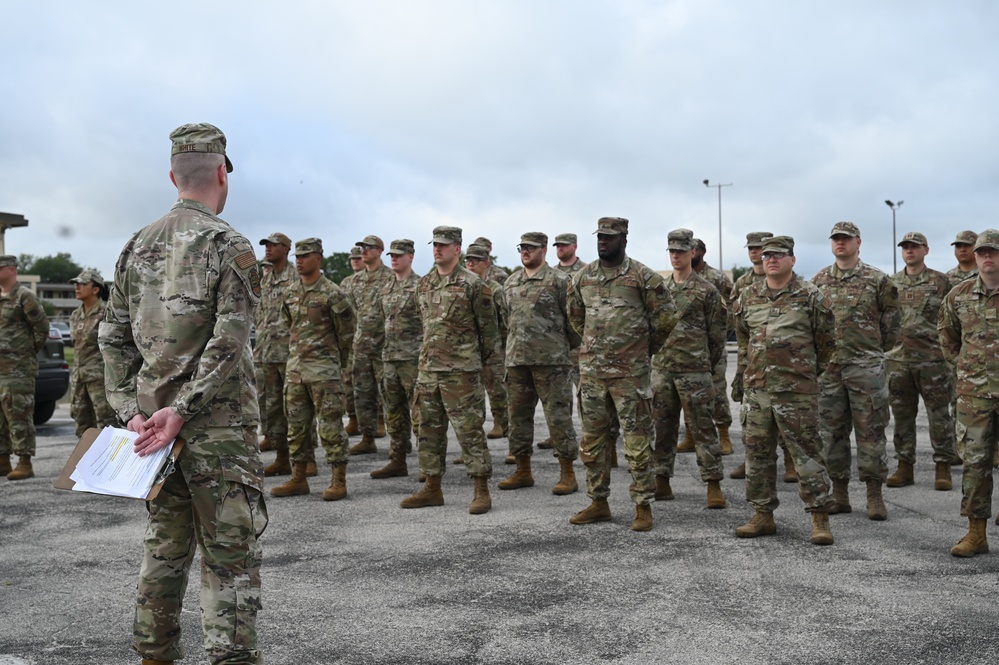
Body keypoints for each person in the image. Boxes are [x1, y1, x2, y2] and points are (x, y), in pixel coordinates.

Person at [98, 123, 266, 663]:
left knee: (164, 549)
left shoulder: (136, 245)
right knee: (229, 559)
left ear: (173, 177)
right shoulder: (228, 245)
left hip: (153, 436)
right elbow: (230, 339)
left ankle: (154, 654)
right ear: (222, 173)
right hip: (217, 431)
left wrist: (131, 411)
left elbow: (111, 336)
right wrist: (185, 408)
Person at [567, 217, 678, 531]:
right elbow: (575, 316)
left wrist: (641, 349)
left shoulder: (643, 277)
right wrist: (595, 347)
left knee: (637, 443)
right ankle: (598, 502)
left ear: (624, 240)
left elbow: (666, 319)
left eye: (610, 237)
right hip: (592, 376)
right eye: (600, 237)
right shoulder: (583, 277)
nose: (603, 242)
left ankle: (642, 506)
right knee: (593, 443)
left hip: (631, 377)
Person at [733, 235, 837, 545]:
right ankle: (762, 515)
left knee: (807, 455)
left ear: (792, 259)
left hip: (797, 392)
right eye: (767, 256)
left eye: (778, 255)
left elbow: (827, 342)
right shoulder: (748, 296)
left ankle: (819, 517)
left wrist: (804, 374)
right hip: (758, 391)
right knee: (757, 455)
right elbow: (743, 340)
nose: (771, 260)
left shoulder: (810, 295)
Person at [400, 226, 501, 514]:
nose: (437, 249)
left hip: (461, 372)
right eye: (435, 244)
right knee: (427, 431)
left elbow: (489, 331)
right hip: (428, 370)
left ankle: (481, 489)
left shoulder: (473, 284)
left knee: (469, 431)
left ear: (457, 249)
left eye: (444, 245)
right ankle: (432, 487)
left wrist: (477, 364)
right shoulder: (424, 284)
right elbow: (425, 325)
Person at [812, 221, 900, 520]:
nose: (840, 243)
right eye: (836, 238)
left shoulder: (878, 280)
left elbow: (892, 323)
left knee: (871, 432)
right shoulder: (818, 281)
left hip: (866, 369)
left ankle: (874, 495)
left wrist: (871, 351)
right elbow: (813, 324)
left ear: (858, 243)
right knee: (831, 434)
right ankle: (839, 494)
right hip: (830, 371)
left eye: (846, 238)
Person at [269, 238, 355, 501]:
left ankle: (338, 480)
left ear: (318, 258)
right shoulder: (291, 292)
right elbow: (289, 324)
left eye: (305, 256)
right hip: (296, 371)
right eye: (297, 256)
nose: (299, 261)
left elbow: (347, 333)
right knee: (296, 428)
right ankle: (299, 478)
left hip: (324, 373)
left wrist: (333, 362)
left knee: (330, 427)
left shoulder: (333, 293)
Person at [498, 232, 580, 495]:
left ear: (543, 250)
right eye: (522, 247)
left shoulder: (560, 281)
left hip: (552, 363)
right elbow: (505, 320)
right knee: (518, 418)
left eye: (531, 248)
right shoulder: (511, 282)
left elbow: (575, 322)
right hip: (517, 362)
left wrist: (558, 347)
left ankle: (567, 473)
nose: (525, 251)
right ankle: (522, 471)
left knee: (558, 418)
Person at [651, 229, 726, 508]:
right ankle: (661, 480)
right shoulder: (659, 289)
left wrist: (703, 363)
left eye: (681, 251)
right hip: (663, 370)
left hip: (695, 371)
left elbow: (717, 336)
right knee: (662, 428)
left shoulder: (707, 290)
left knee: (703, 429)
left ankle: (713, 484)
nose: (675, 256)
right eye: (672, 251)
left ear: (691, 253)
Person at [939, 228, 999, 557]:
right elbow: (947, 338)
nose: (987, 257)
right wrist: (966, 370)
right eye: (981, 252)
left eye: (993, 251)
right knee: (975, 464)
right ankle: (976, 533)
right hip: (974, 396)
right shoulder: (958, 296)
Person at [886, 232, 958, 491]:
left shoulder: (941, 281)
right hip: (899, 361)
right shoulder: (891, 283)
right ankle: (904, 467)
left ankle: (943, 467)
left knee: (939, 416)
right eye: (905, 247)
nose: (909, 251)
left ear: (926, 250)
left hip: (933, 362)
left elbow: (954, 318)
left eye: (914, 247)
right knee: (902, 417)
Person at [728, 231, 798, 483]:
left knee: (786, 418)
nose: (755, 252)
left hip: (787, 367)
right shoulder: (743, 285)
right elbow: (739, 328)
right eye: (752, 248)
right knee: (752, 421)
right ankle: (751, 460)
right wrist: (742, 367)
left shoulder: (796, 287)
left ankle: (791, 462)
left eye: (760, 248)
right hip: (754, 364)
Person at [256, 232, 317, 478]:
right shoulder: (265, 280)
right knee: (272, 411)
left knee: (298, 410)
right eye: (267, 245)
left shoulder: (296, 278)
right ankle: (282, 457)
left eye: (274, 245)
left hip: (291, 354)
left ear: (286, 249)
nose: (268, 249)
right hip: (266, 354)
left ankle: (308, 458)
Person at [369, 239, 423, 479]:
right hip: (390, 359)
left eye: (399, 255)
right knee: (393, 413)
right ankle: (397, 460)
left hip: (413, 360)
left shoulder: (421, 286)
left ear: (411, 256)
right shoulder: (385, 288)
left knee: (421, 413)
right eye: (392, 255)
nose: (394, 259)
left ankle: (428, 463)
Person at [0, 255, 49, 481]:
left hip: (18, 370)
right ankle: (3, 461)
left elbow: (41, 328)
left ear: (11, 270)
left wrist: (25, 351)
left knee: (19, 415)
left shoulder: (24, 296)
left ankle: (24, 462)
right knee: (1, 418)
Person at [345, 235, 393, 455]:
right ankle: (367, 437)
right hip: (361, 348)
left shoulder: (390, 278)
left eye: (368, 247)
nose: (363, 251)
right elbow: (349, 313)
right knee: (362, 394)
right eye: (362, 248)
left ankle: (397, 441)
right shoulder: (355, 281)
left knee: (390, 395)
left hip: (385, 348)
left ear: (380, 251)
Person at [688, 238, 735, 455]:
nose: (691, 252)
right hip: (689, 348)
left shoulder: (717, 278)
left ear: (702, 252)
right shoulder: (682, 277)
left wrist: (720, 336)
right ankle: (690, 436)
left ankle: (724, 435)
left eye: (694, 249)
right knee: (688, 394)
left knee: (717, 391)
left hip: (713, 346)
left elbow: (731, 310)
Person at [463, 243, 509, 441]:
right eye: (468, 260)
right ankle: (473, 436)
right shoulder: (460, 288)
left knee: (497, 391)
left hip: (493, 350)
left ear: (486, 263)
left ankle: (502, 425)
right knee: (470, 396)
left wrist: (502, 348)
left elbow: (505, 322)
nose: (471, 264)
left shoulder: (495, 290)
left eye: (476, 260)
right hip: (468, 350)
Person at [68, 269, 116, 438]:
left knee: (106, 423)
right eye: (76, 284)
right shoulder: (75, 315)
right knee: (82, 424)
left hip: (99, 378)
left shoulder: (107, 313)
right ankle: (85, 455)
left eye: (82, 284)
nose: (77, 287)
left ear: (96, 289)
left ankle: (109, 455)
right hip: (79, 378)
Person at [341, 245, 365, 435]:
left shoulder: (376, 280)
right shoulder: (346, 283)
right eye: (352, 259)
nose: (355, 262)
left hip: (370, 340)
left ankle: (378, 420)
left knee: (370, 385)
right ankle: (354, 419)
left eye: (358, 258)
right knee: (348, 383)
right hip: (350, 342)